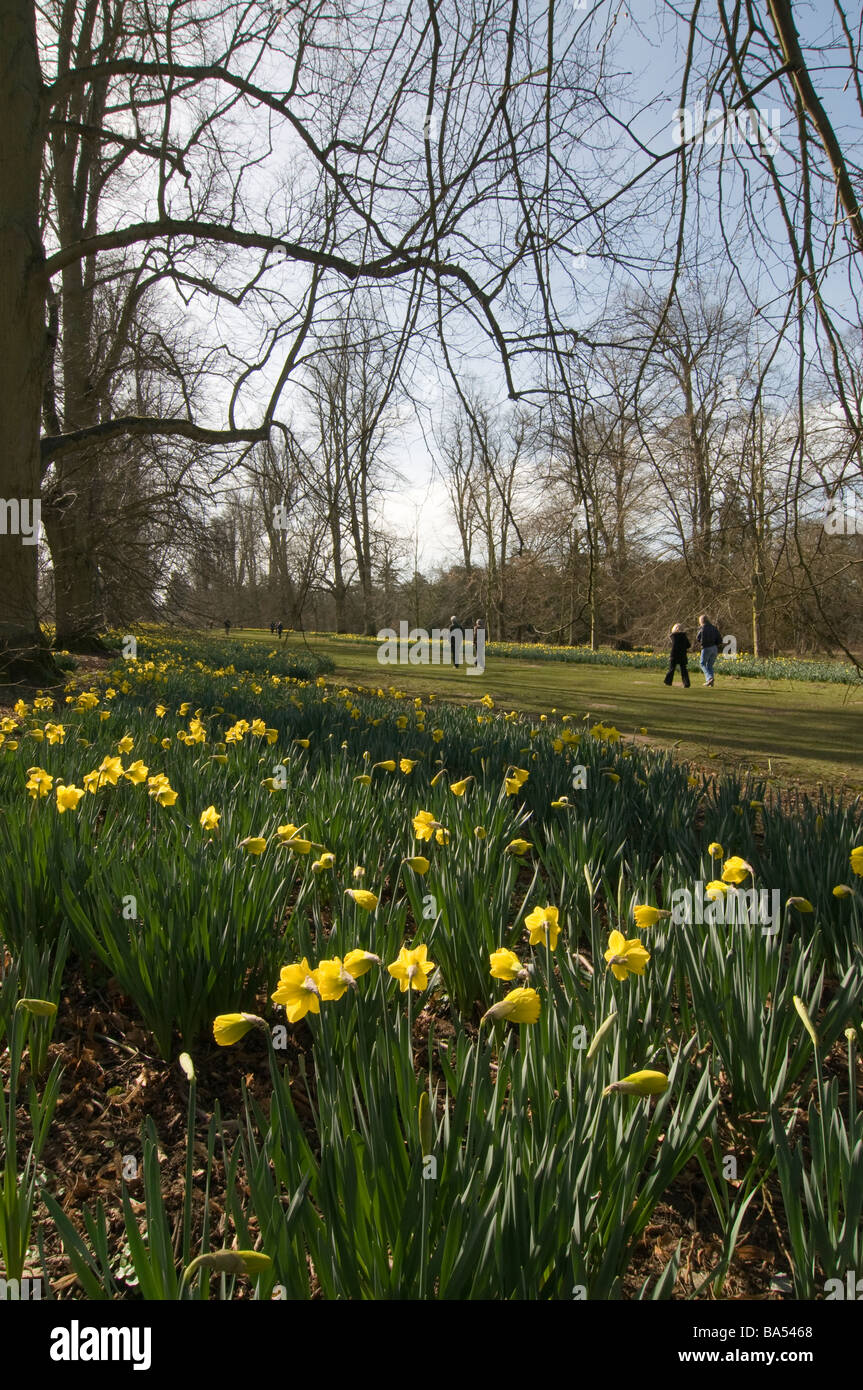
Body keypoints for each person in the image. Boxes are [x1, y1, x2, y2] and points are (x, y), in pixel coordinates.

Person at [696, 613, 722, 687]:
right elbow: (719, 639)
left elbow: (698, 638)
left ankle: (709, 678)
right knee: (710, 665)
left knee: (702, 663)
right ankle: (710, 682)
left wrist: (702, 644)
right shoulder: (714, 628)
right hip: (714, 648)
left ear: (701, 621)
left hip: (706, 647)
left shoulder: (702, 628)